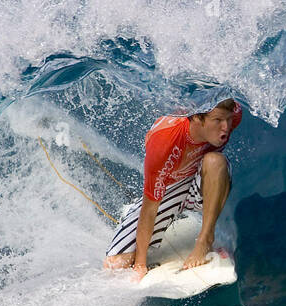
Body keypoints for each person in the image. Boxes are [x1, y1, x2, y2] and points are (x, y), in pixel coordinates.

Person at [103, 99, 241, 273]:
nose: (226, 127)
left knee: (215, 161)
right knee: (114, 264)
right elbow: (150, 209)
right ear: (198, 119)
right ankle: (140, 212)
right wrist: (140, 263)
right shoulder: (165, 143)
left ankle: (206, 238)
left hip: (203, 183)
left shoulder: (234, 115)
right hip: (169, 189)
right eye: (218, 120)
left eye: (228, 120)